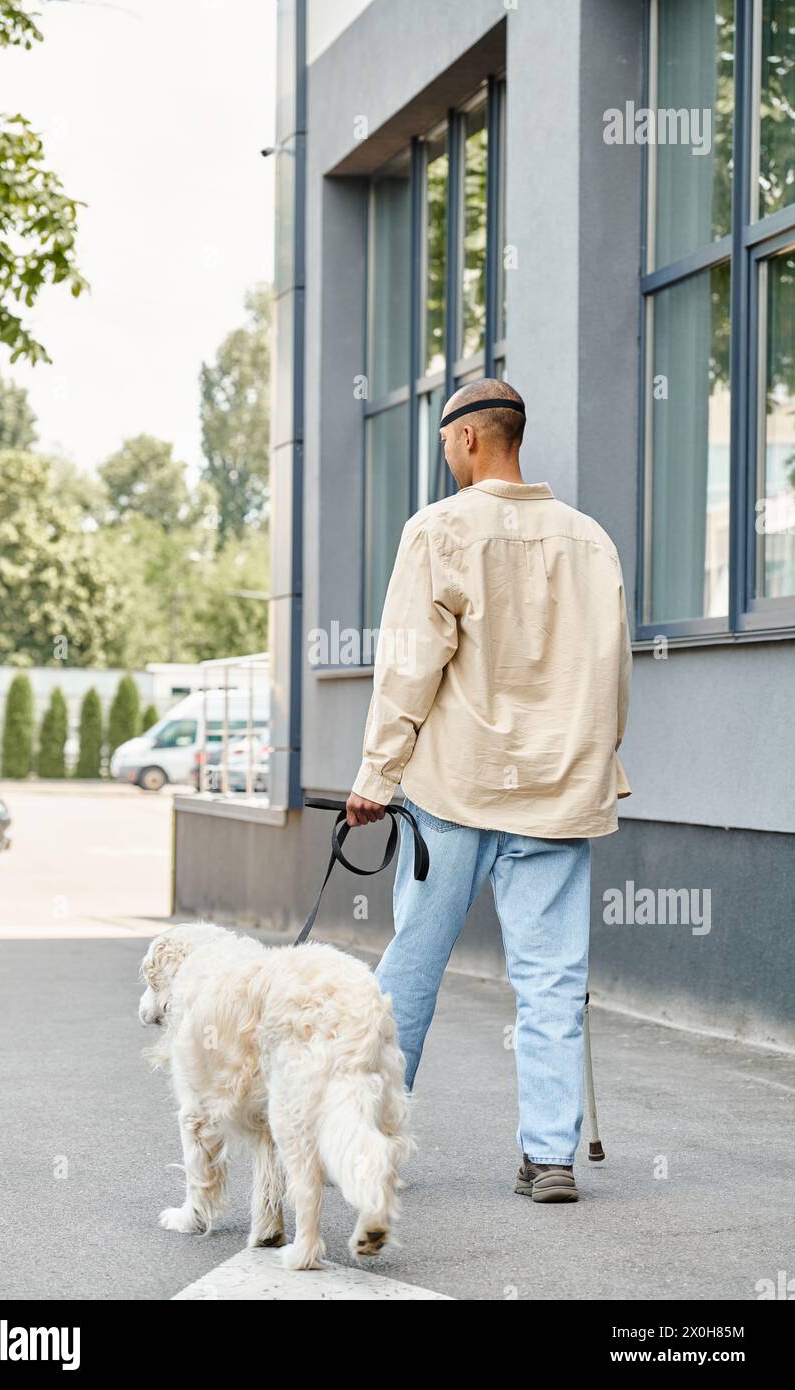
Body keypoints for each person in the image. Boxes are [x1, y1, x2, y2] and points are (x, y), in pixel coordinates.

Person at [345, 377, 632, 1203]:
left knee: (412, 969)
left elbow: (407, 666)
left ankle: (370, 1138)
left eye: (444, 443)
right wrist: (597, 761)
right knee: (551, 980)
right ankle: (550, 1157)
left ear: (469, 438)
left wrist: (376, 776)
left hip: (455, 793)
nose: (445, 458)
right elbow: (612, 674)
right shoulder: (590, 542)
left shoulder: (438, 531)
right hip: (556, 794)